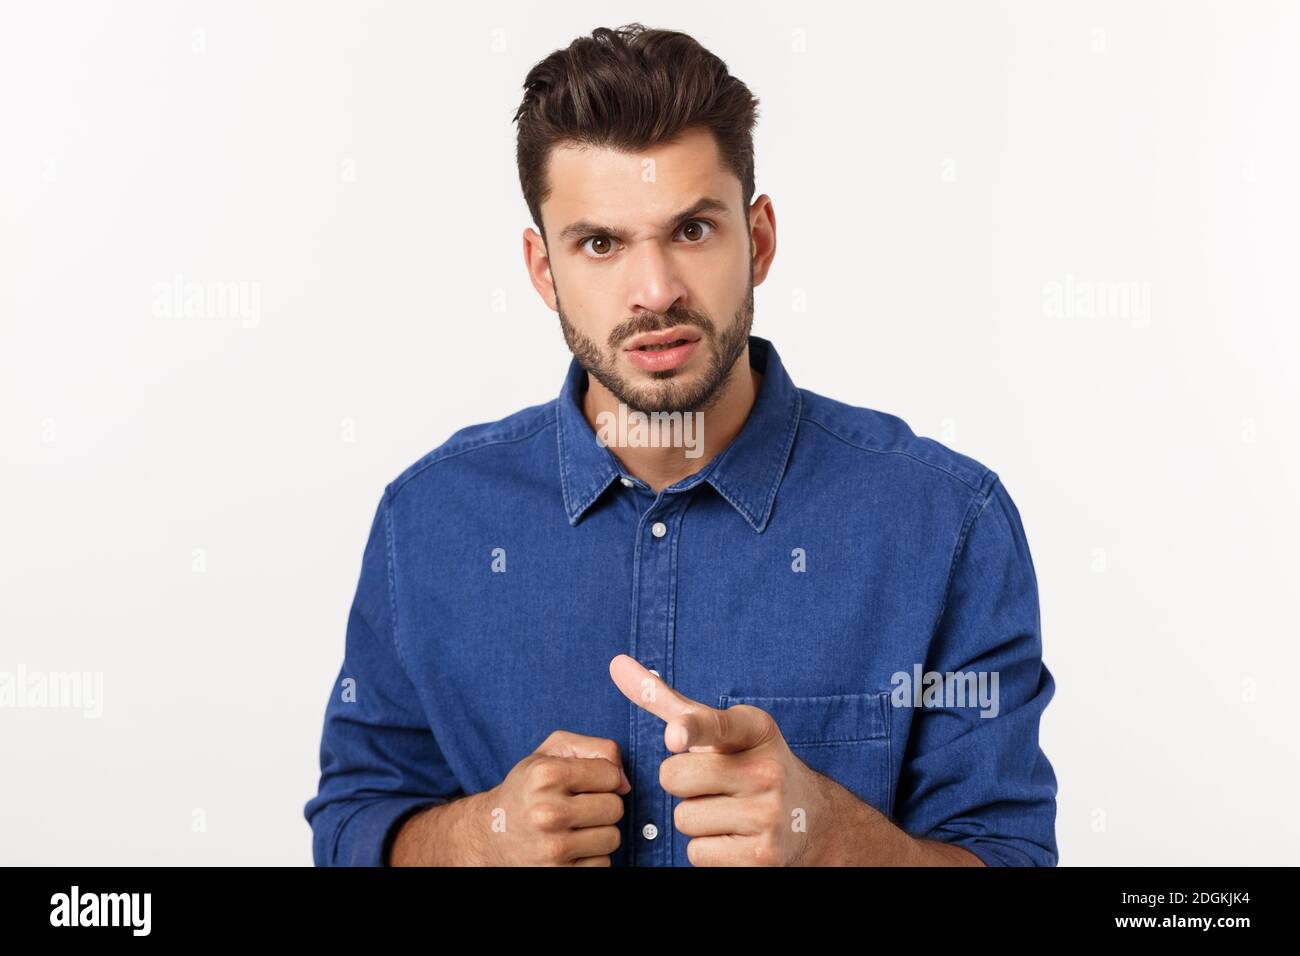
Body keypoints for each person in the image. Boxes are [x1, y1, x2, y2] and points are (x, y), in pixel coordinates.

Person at [304, 23, 1058, 867]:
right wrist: (474, 840)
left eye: (693, 231)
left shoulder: (944, 523)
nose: (655, 291)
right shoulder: (429, 521)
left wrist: (835, 839)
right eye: (600, 244)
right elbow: (353, 824)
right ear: (543, 269)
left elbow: (1011, 853)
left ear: (759, 239)